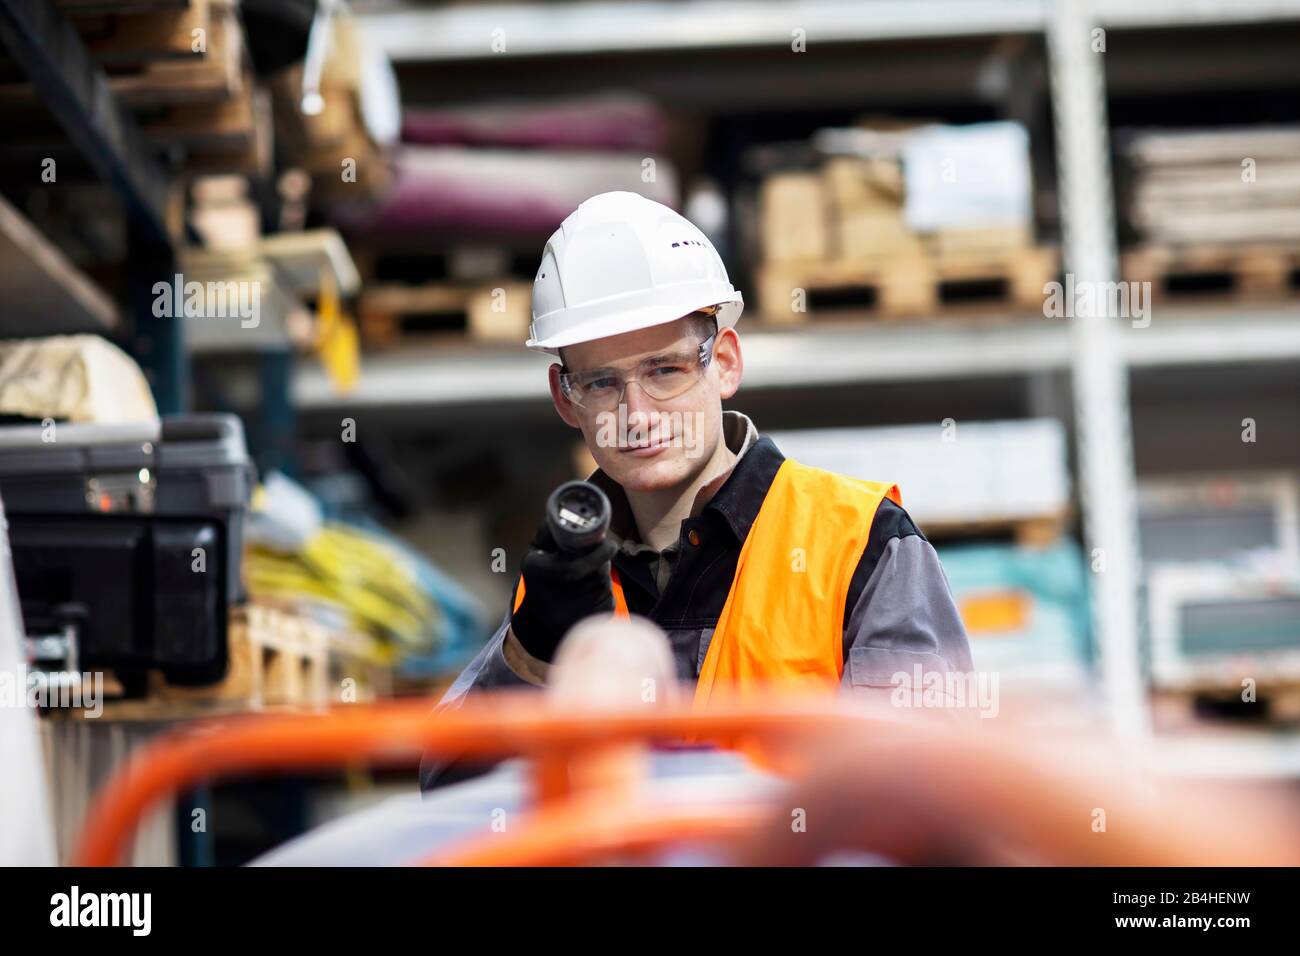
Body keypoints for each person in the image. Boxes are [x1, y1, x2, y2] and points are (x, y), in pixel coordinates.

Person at [421, 191, 973, 791]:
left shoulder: (860, 542)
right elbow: (450, 792)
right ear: (565, 398)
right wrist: (530, 661)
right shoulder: (565, 577)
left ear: (726, 363)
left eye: (665, 370)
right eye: (602, 383)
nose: (637, 414)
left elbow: (924, 799)